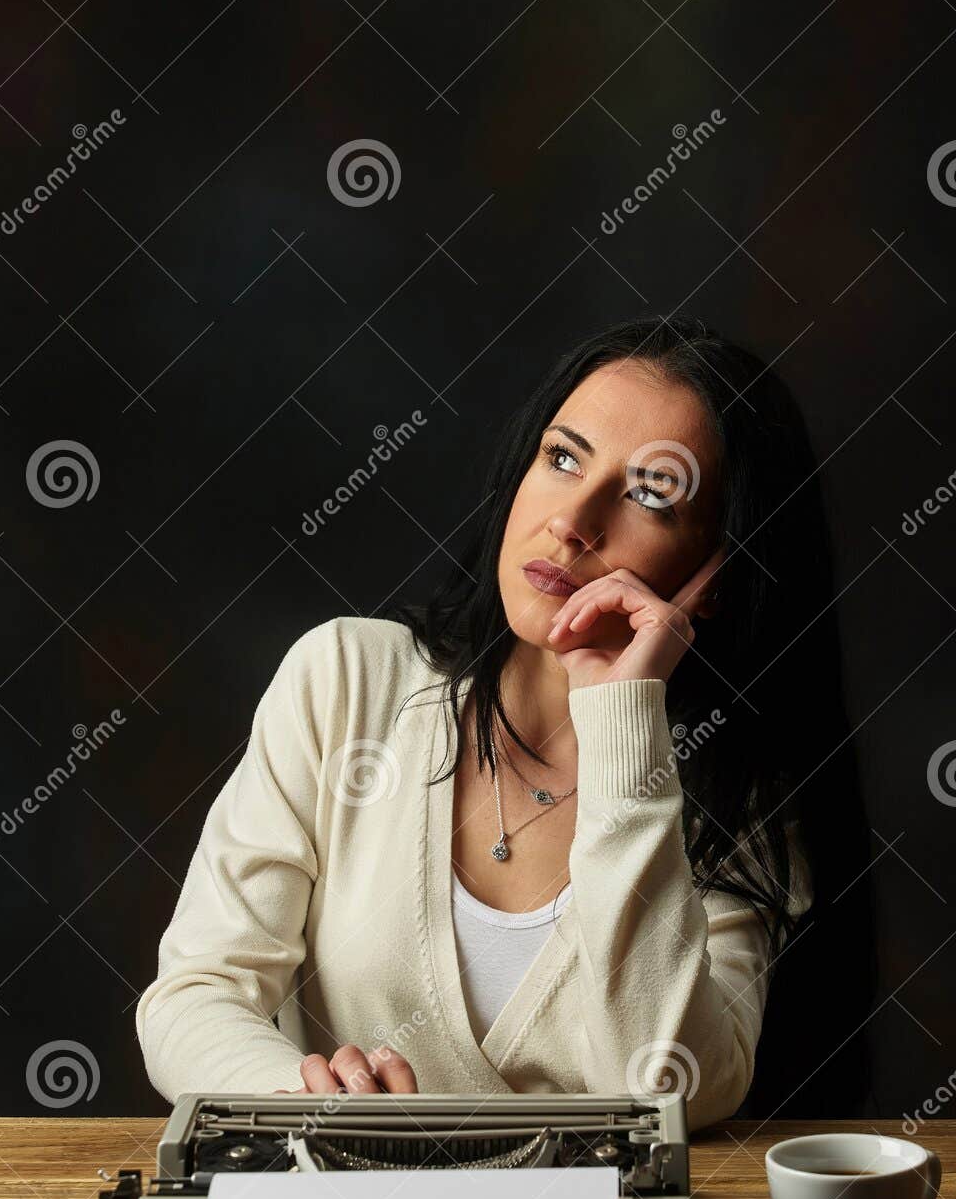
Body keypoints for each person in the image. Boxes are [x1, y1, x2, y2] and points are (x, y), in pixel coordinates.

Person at [137, 312, 862, 1130]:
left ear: (715, 574)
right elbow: (196, 996)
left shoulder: (737, 800)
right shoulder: (346, 680)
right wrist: (317, 1109)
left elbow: (668, 1091)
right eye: (561, 458)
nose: (573, 521)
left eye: (649, 496)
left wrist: (621, 720)